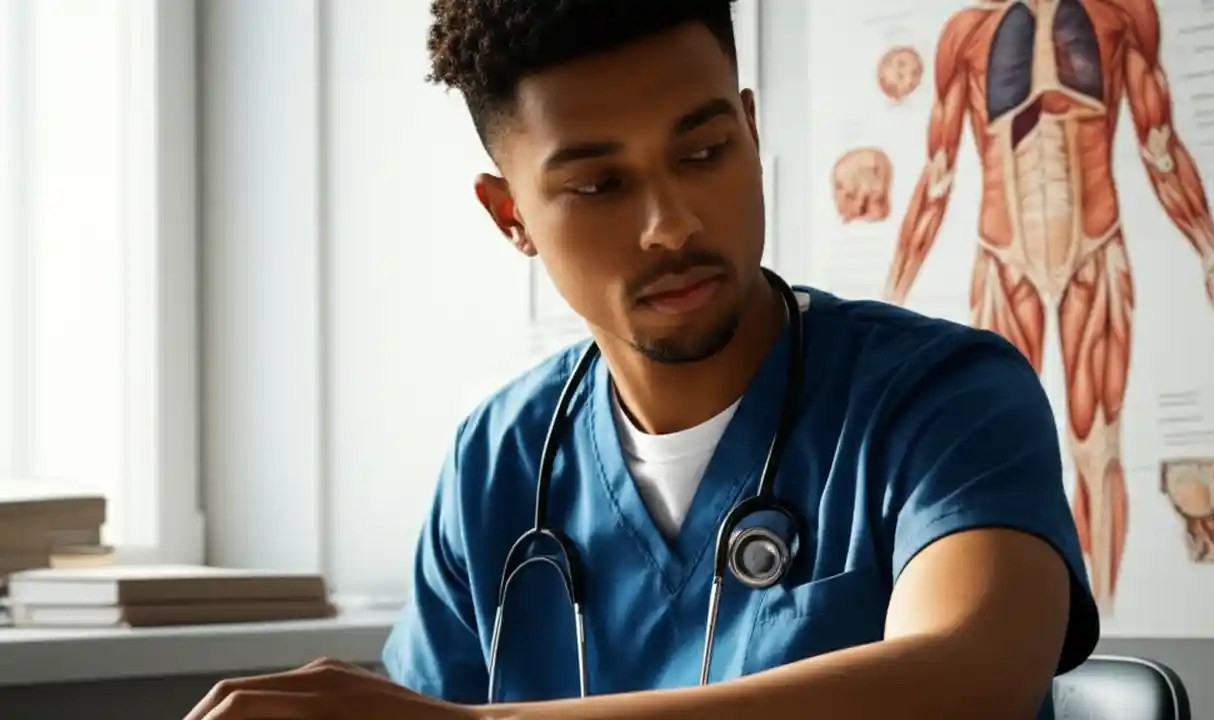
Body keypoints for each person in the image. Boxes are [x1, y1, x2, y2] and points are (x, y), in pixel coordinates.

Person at [184, 1, 1099, 718]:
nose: (673, 225)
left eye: (703, 151)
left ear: (748, 131)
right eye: (597, 185)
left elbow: (971, 681)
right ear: (511, 218)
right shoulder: (496, 461)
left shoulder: (943, 398)